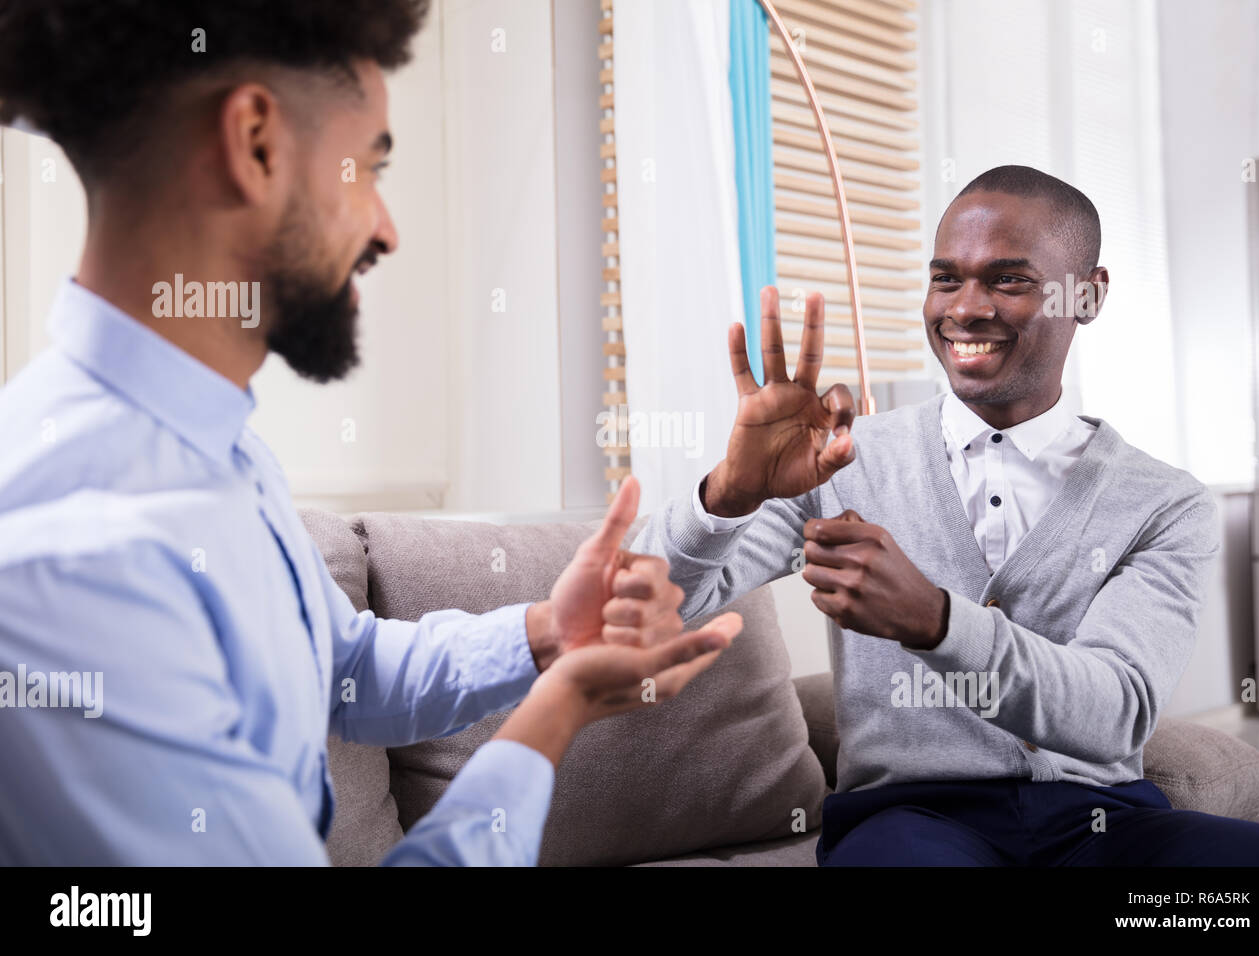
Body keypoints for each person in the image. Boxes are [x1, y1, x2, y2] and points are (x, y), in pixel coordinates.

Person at [0, 0, 739, 865]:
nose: (385, 228)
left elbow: (344, 670)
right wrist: (559, 709)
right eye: (368, 169)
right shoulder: (73, 559)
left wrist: (548, 633)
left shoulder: (217, 447)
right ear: (255, 145)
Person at [633, 164, 1259, 865]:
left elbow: (1114, 713)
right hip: (910, 824)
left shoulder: (1164, 503)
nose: (966, 309)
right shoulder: (840, 460)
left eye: (1008, 280)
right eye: (946, 278)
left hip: (1102, 828)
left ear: (1087, 295)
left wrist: (936, 620)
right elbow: (642, 607)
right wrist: (727, 496)